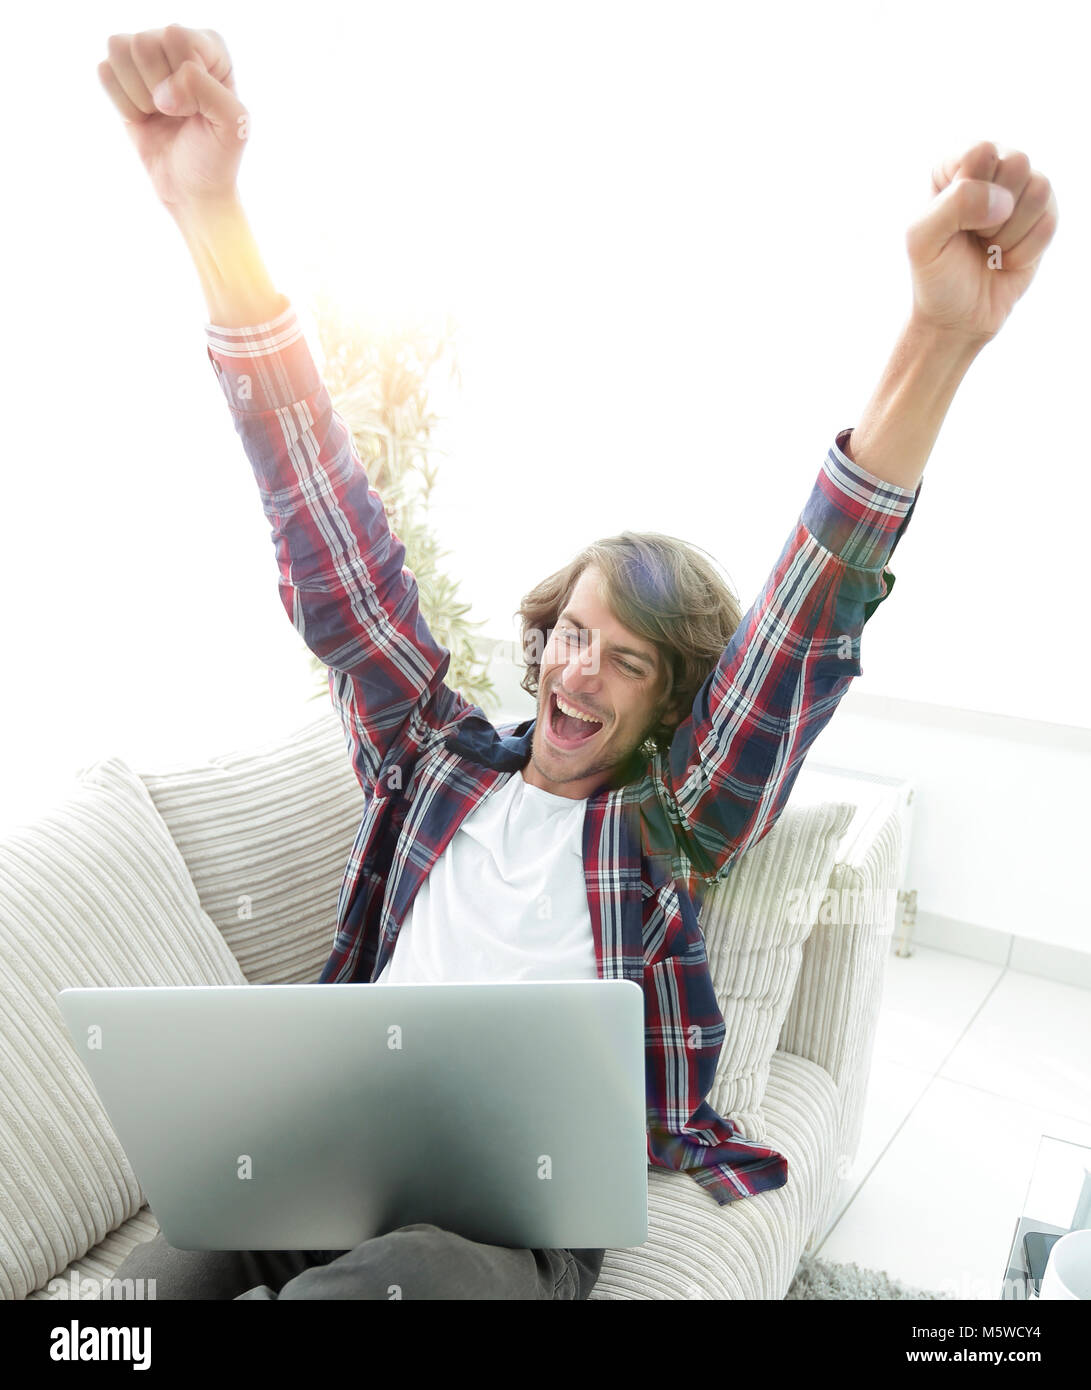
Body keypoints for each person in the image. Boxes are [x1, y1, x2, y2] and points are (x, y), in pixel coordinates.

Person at [97, 25, 1057, 1300]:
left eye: (628, 661)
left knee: (393, 1286)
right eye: (571, 635)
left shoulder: (658, 831)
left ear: (670, 709)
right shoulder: (431, 761)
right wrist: (208, 209)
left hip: (496, 1220)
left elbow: (797, 632)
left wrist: (936, 339)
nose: (578, 672)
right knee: (144, 1300)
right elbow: (326, 534)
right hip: (322, 1154)